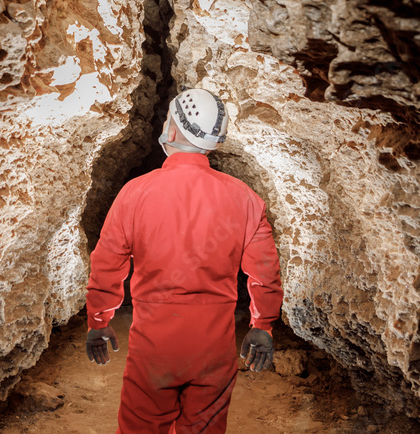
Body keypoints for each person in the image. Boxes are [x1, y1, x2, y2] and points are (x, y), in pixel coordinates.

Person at [85, 88, 284, 433]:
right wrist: (262, 325)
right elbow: (265, 272)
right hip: (213, 350)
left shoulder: (135, 193)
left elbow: (107, 265)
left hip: (153, 349)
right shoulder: (246, 199)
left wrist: (98, 320)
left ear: (172, 131)